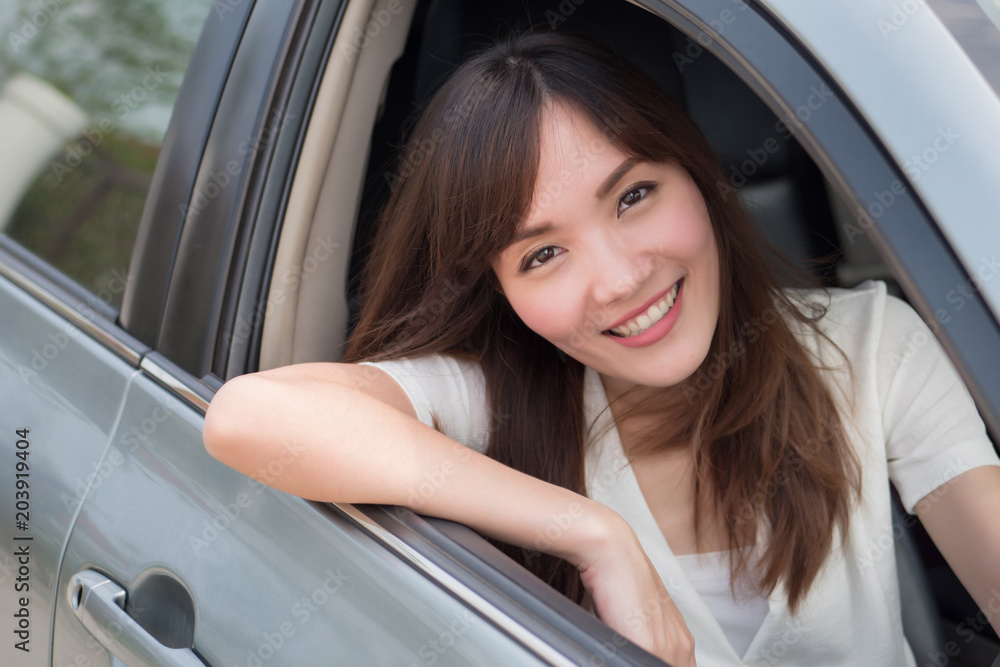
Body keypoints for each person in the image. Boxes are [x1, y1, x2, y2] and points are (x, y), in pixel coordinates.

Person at [203, 32, 1000, 666]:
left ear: (699, 174)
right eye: (542, 254)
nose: (619, 280)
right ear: (502, 291)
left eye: (634, 196)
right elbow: (250, 415)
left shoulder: (868, 350)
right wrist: (593, 533)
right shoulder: (498, 398)